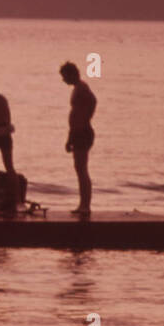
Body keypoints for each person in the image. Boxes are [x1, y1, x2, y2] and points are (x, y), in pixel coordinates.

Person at [60, 61, 97, 215]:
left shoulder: (82, 88)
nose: (63, 80)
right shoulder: (79, 88)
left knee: (82, 170)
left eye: (64, 76)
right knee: (79, 169)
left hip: (82, 132)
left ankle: (85, 206)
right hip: (79, 132)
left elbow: (91, 103)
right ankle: (83, 204)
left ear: (72, 74)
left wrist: (85, 120)